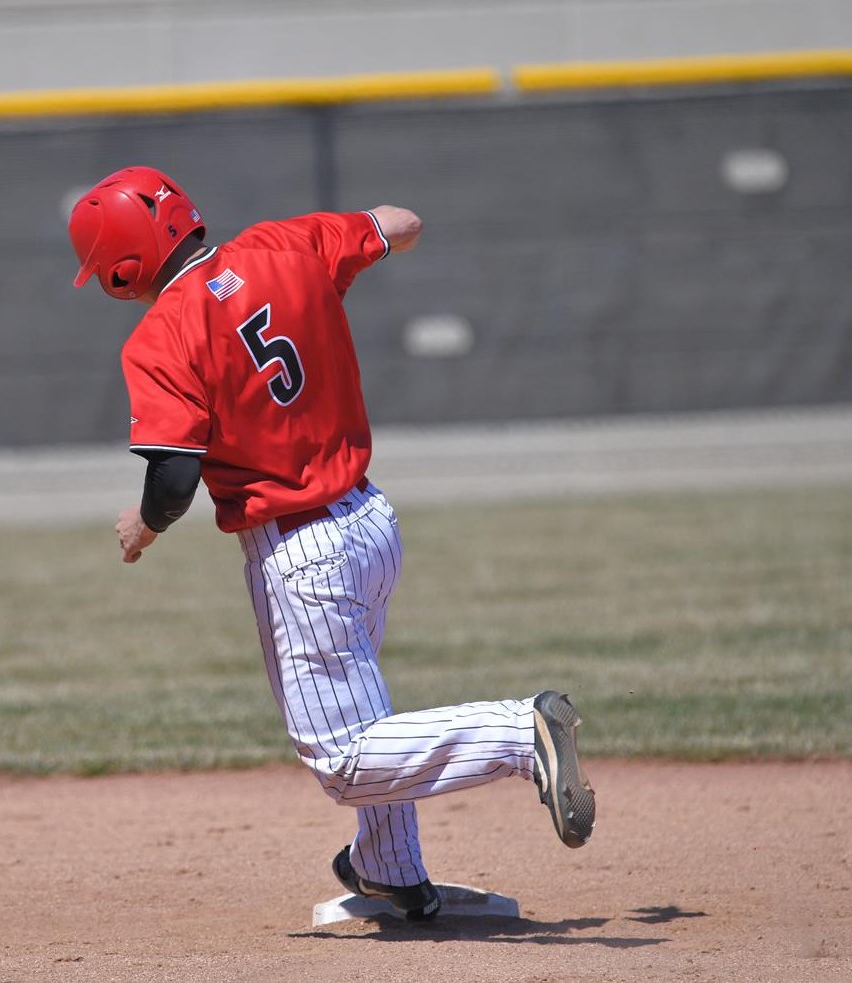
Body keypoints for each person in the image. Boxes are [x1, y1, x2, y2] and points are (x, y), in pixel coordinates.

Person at [67, 165, 595, 921]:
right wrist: (363, 243)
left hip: (301, 551)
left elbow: (175, 478)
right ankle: (390, 866)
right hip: (371, 522)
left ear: (122, 269)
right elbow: (401, 220)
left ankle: (520, 732)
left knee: (345, 758)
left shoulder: (160, 337)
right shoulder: (283, 244)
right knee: (365, 708)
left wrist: (143, 524)